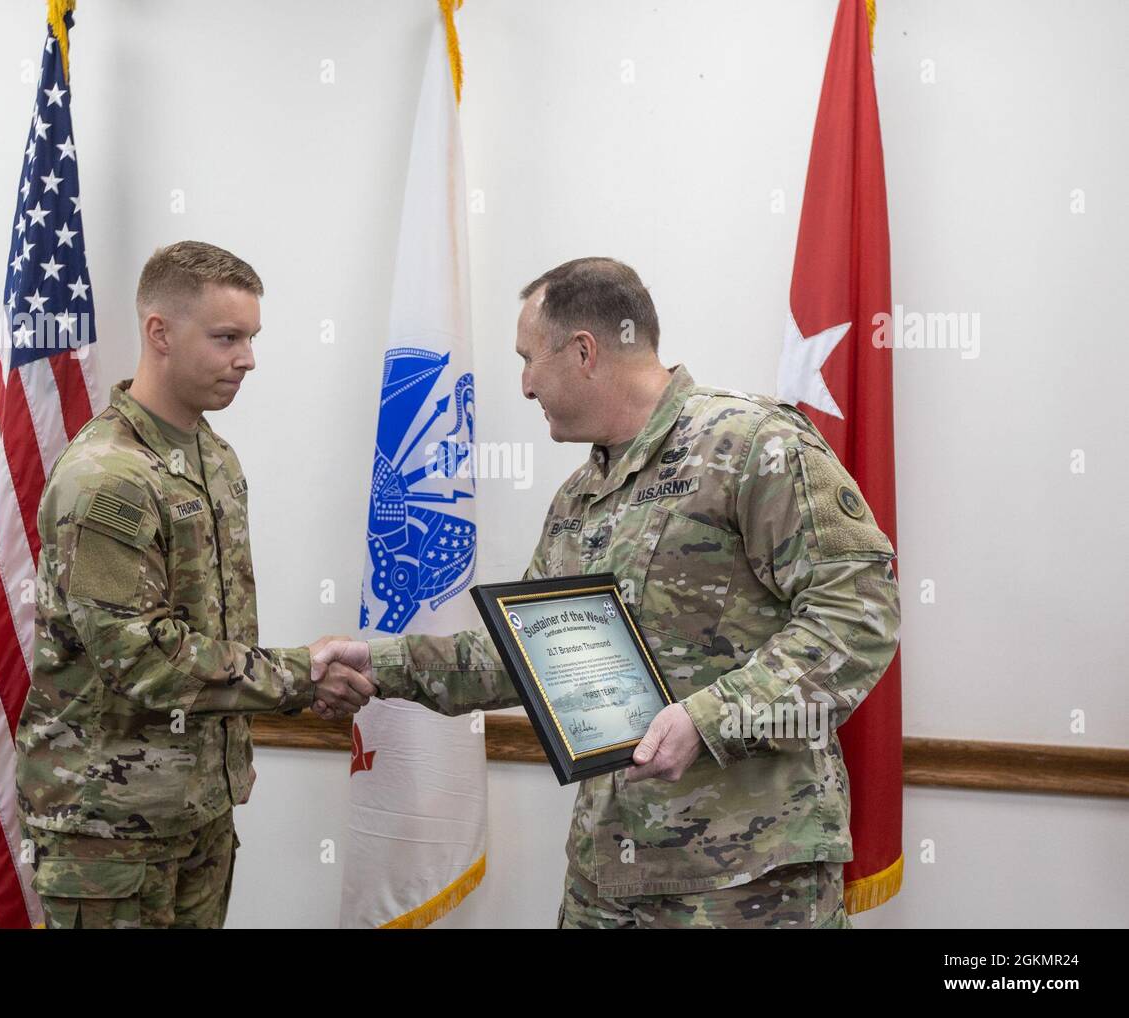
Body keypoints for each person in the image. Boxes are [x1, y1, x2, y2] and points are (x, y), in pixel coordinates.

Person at [315, 256, 900, 929]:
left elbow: (858, 617)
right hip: (608, 875)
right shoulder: (578, 497)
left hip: (746, 884)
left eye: (528, 359)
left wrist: (710, 719)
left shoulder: (752, 447)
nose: (526, 385)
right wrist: (377, 666)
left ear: (584, 351)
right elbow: (524, 656)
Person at [15, 240, 373, 929]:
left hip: (199, 808)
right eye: (227, 338)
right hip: (110, 828)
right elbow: (141, 658)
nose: (248, 359)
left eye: (251, 338)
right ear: (160, 334)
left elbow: (216, 632)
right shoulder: (109, 477)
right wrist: (301, 675)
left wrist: (296, 685)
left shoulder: (211, 456)